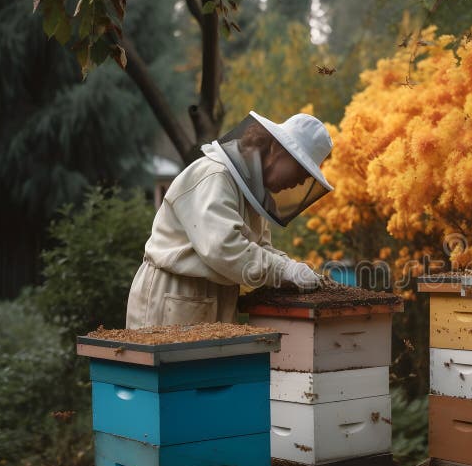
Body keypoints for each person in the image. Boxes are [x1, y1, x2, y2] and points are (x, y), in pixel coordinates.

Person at [126, 112, 333, 328]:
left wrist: (291, 267)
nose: (299, 182)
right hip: (175, 292)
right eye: (300, 170)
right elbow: (223, 247)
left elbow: (257, 248)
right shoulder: (214, 175)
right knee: (177, 361)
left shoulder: (251, 192)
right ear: (276, 150)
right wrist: (283, 271)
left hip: (216, 293)